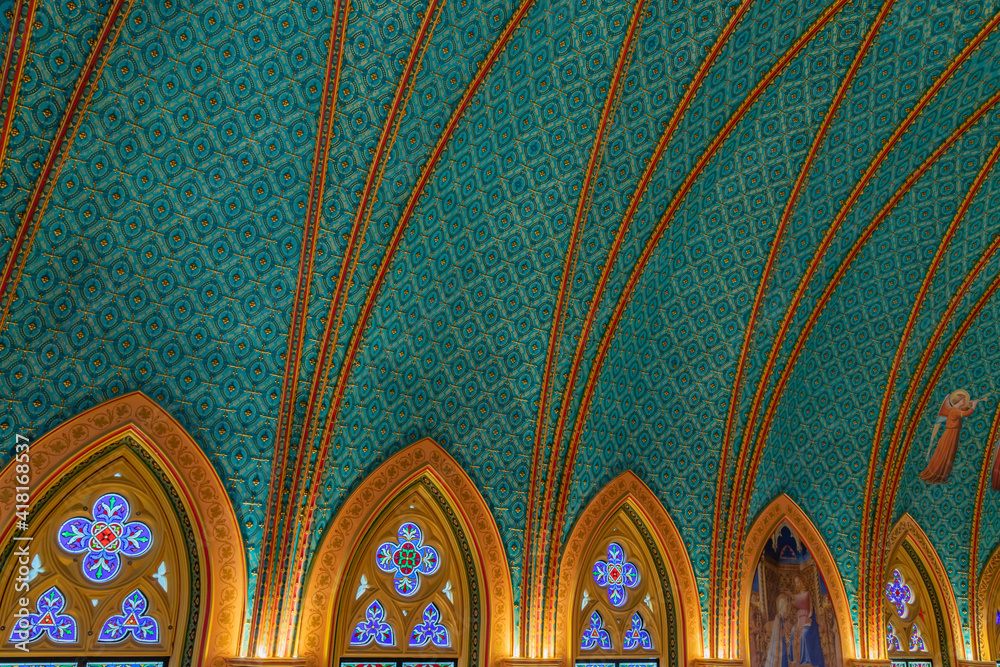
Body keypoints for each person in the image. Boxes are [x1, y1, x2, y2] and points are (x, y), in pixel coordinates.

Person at [919, 389, 985, 484]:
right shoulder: (954, 411)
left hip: (953, 434)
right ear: (959, 400)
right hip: (950, 435)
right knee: (945, 454)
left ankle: (942, 476)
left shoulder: (955, 409)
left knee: (949, 455)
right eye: (963, 400)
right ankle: (936, 474)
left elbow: (963, 410)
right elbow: (966, 413)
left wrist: (969, 405)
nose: (965, 401)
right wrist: (973, 406)